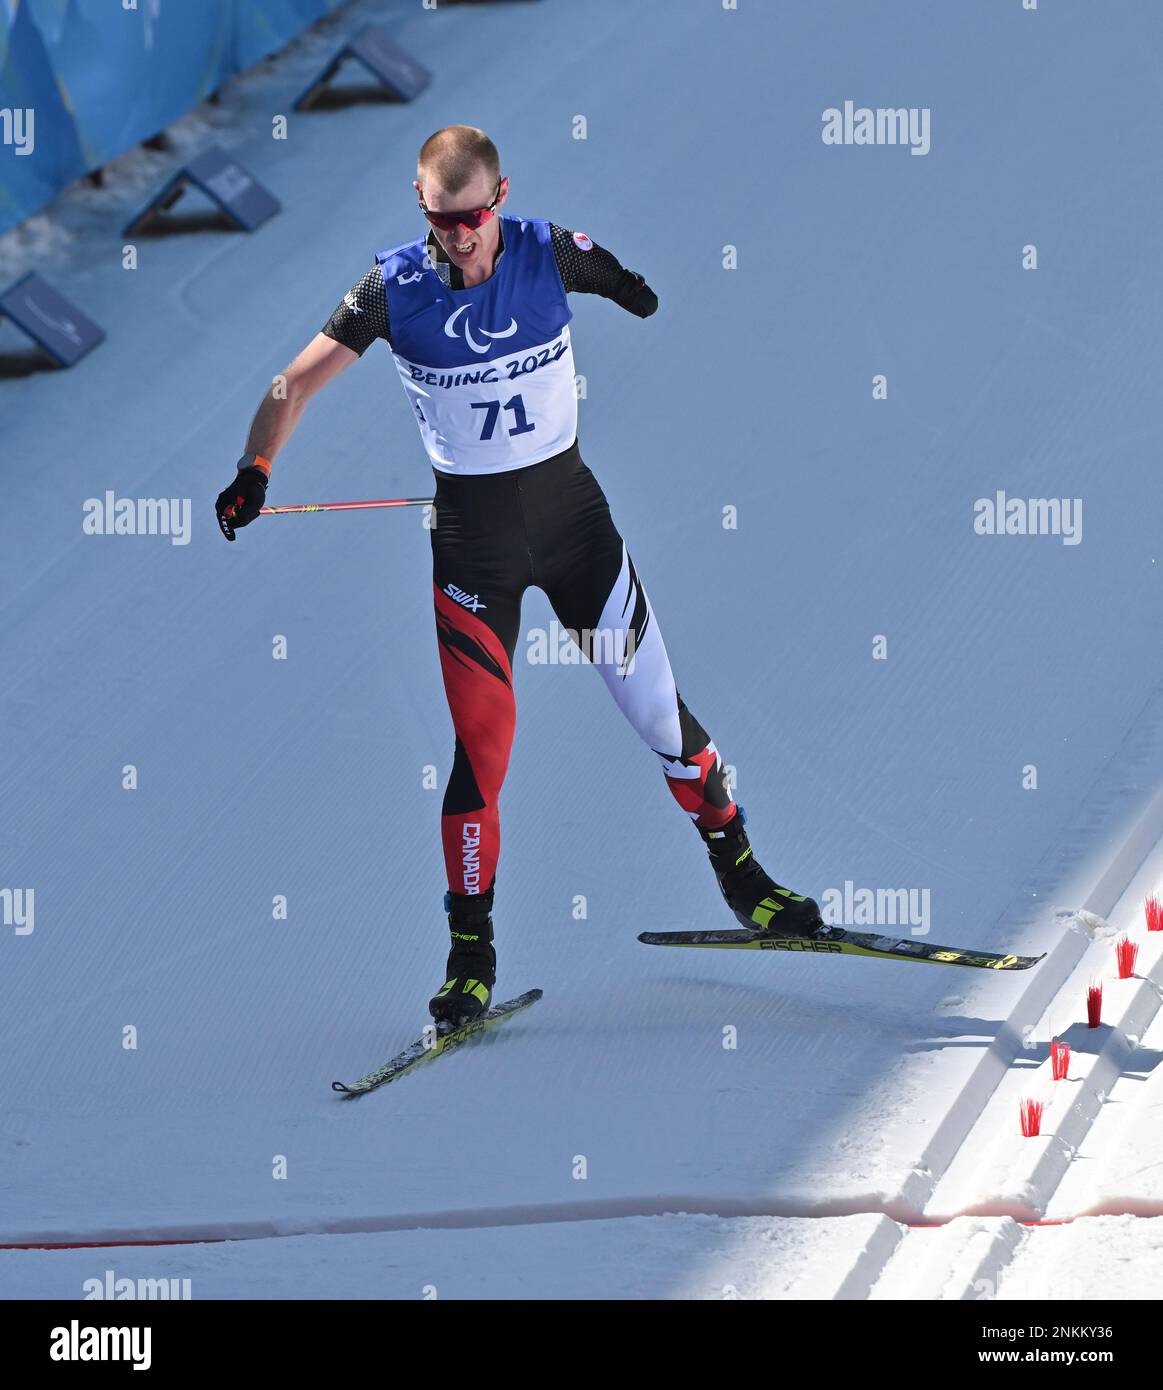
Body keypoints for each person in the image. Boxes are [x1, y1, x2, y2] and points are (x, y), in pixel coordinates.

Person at [216, 125, 821, 1028]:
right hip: (473, 552)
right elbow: (292, 383)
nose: (458, 236)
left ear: (499, 200)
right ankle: (470, 960)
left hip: (576, 531)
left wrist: (626, 287)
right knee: (483, 754)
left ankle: (746, 883)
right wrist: (255, 469)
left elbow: (603, 265)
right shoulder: (390, 290)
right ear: (420, 206)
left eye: (472, 216)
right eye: (441, 218)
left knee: (661, 716)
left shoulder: (543, 251)